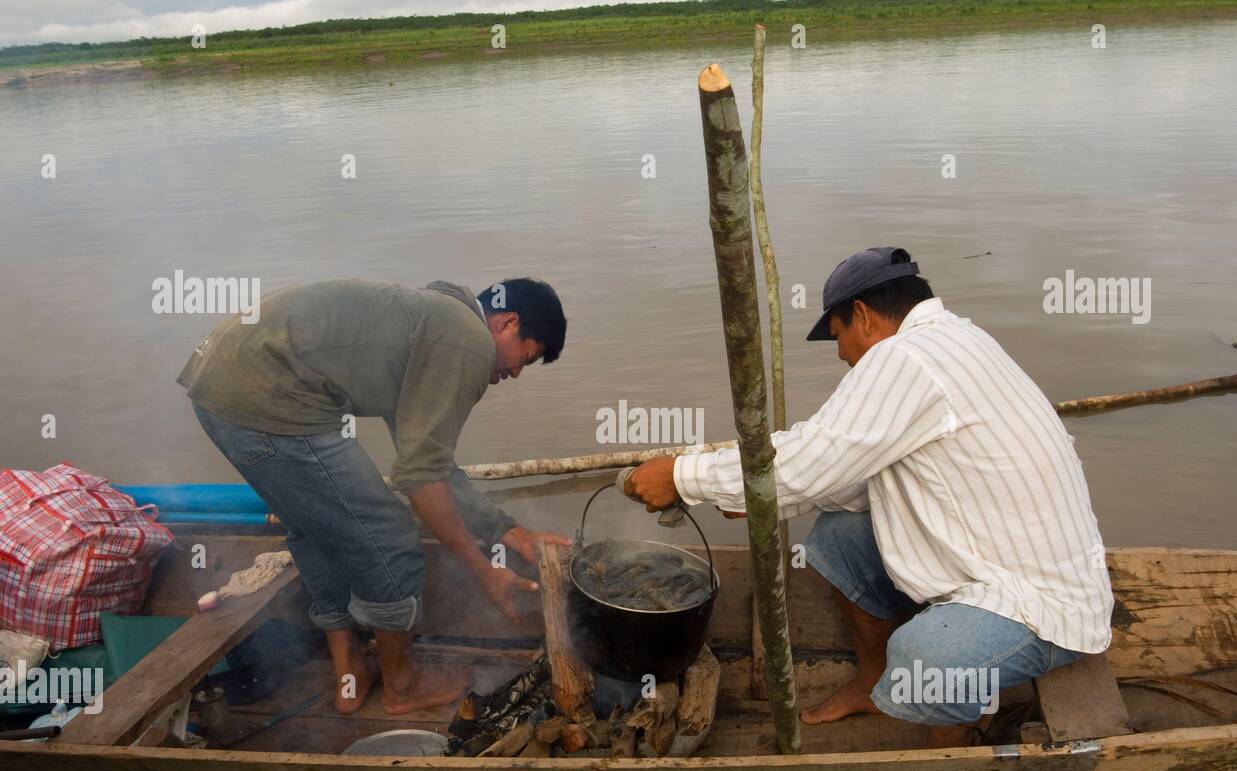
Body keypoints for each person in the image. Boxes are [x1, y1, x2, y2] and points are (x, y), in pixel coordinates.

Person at [625, 248, 1114, 746]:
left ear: (861, 315)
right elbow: (841, 467)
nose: (841, 354)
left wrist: (683, 478)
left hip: (1043, 607)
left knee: (925, 660)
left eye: (837, 336)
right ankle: (872, 680)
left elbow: (811, 461)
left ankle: (954, 748)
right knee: (838, 537)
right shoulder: (957, 338)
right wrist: (754, 496)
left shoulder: (905, 359)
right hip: (991, 557)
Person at [178, 277, 571, 715]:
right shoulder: (467, 343)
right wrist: (485, 571)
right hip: (270, 398)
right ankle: (402, 684)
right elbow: (421, 479)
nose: (514, 373)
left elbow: (429, 461)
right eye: (526, 357)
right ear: (507, 322)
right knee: (390, 536)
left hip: (219, 385)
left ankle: (350, 675)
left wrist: (508, 531)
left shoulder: (433, 320)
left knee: (315, 527)